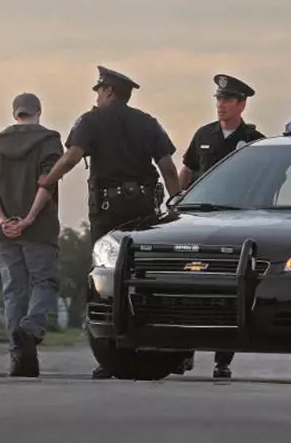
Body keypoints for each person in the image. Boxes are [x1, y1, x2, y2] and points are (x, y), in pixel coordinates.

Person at [36, 66, 183, 379]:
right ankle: (166, 346)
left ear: (109, 91)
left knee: (108, 279)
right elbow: (169, 169)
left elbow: (72, 157)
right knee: (146, 275)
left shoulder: (90, 121)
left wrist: (47, 180)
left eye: (99, 91)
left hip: (108, 211)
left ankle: (112, 354)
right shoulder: (148, 123)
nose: (98, 96)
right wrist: (179, 208)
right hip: (145, 210)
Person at [178, 73, 264, 379]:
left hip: (238, 221)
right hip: (199, 221)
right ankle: (183, 351)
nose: (221, 105)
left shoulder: (254, 142)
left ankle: (222, 359)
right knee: (188, 284)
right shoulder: (204, 135)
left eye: (227, 100)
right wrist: (178, 200)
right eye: (218, 99)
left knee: (227, 287)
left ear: (242, 104)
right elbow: (187, 169)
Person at [0, 92, 64, 376]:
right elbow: (46, 184)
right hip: (39, 229)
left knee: (14, 290)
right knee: (44, 281)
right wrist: (28, 219)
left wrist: (2, 220)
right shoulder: (49, 141)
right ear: (39, 111)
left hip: (4, 230)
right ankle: (31, 327)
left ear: (15, 114)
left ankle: (20, 359)